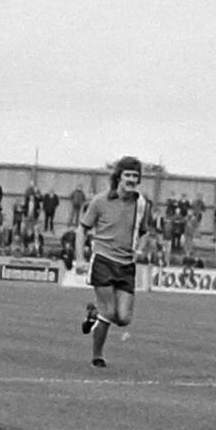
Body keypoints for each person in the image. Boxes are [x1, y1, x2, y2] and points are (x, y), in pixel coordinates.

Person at [77, 156, 150, 368]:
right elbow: (82, 229)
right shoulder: (100, 201)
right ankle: (97, 356)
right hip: (104, 260)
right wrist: (80, 258)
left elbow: (145, 232)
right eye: (128, 174)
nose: (132, 179)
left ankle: (93, 313)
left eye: (135, 176)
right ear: (119, 176)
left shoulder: (142, 204)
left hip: (126, 264)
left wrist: (140, 249)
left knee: (124, 318)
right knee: (108, 312)